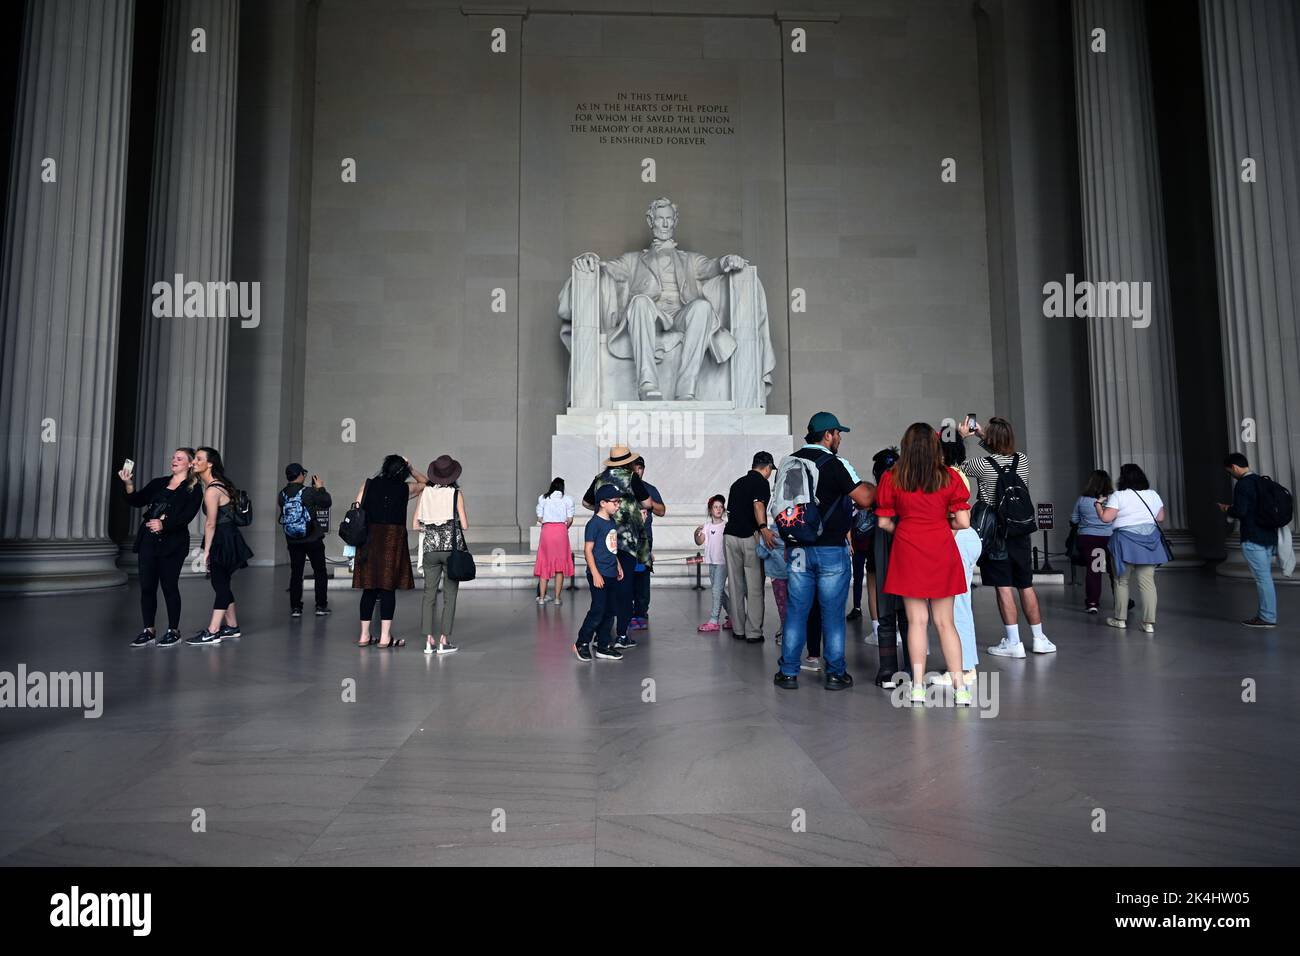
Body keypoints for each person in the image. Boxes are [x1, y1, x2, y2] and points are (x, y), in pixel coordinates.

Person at [773, 412, 875, 691]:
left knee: (796, 612)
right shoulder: (836, 464)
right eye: (838, 433)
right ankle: (835, 673)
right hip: (830, 549)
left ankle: (789, 673)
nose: (839, 438)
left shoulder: (788, 462)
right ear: (828, 434)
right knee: (832, 614)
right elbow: (864, 499)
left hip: (797, 549)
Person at [874, 424, 973, 704]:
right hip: (941, 547)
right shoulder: (949, 476)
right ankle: (960, 688)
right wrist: (943, 523)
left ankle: (917, 686)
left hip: (908, 550)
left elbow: (883, 522)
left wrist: (905, 530)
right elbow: (963, 521)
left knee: (916, 622)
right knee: (946, 623)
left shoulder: (893, 477)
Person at [959, 415, 1056, 658]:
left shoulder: (981, 465)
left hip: (996, 532)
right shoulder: (1021, 460)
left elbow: (958, 468)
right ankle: (1039, 638)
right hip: (1019, 529)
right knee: (1025, 584)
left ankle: (1013, 642)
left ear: (990, 439)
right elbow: (1001, 456)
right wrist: (986, 436)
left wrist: (963, 438)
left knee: (1003, 586)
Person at [119, 448, 204, 647]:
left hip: (173, 543)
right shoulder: (159, 483)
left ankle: (173, 631)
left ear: (190, 463)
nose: (174, 460)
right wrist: (128, 483)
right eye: (173, 457)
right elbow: (136, 500)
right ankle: (148, 630)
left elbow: (187, 516)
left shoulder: (193, 488)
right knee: (147, 586)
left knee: (169, 586)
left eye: (179, 458)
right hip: (148, 540)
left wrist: (164, 524)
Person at [581, 446, 654, 649]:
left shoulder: (599, 478)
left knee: (605, 590)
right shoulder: (631, 477)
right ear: (628, 462)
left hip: (604, 539)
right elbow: (647, 503)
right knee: (625, 590)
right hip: (627, 541)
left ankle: (601, 635)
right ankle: (621, 635)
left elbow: (586, 503)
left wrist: (602, 508)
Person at [352, 454, 428, 648]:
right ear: (402, 472)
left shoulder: (368, 485)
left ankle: (364, 636)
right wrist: (410, 467)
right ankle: (385, 637)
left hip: (369, 539)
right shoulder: (404, 488)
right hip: (391, 540)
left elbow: (356, 508)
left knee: (369, 588)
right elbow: (426, 484)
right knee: (387, 589)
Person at [186, 447, 254, 646]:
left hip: (222, 539)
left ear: (210, 464)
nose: (194, 462)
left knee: (220, 584)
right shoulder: (219, 485)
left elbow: (210, 524)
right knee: (221, 581)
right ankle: (232, 626)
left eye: (198, 459)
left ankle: (213, 630)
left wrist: (206, 551)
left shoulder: (212, 490)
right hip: (230, 538)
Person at [1096, 463, 1167, 633]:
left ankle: (1120, 619)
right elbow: (1161, 517)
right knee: (1148, 583)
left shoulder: (1119, 496)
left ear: (1122, 479)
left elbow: (1106, 518)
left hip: (1124, 542)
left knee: (1121, 581)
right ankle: (1149, 623)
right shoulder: (1153, 494)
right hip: (1149, 542)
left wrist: (1098, 505)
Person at [1219, 452, 1280, 627]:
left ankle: (1267, 617)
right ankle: (1266, 615)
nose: (1231, 475)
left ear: (1235, 468)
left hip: (1253, 537)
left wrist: (1226, 509)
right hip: (1268, 535)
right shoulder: (1262, 481)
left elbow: (1241, 511)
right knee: (1265, 577)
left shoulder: (1243, 485)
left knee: (1263, 579)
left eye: (1229, 472)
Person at [415, 455, 467, 655]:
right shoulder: (456, 494)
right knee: (450, 595)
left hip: (429, 550)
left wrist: (430, 524)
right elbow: (464, 525)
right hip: (451, 550)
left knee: (429, 595)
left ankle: (429, 641)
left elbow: (414, 523)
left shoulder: (425, 493)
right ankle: (444, 640)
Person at [724, 450, 775, 644]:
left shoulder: (736, 483)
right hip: (749, 537)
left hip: (729, 536)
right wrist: (763, 529)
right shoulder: (762, 483)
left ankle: (738, 629)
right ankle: (753, 632)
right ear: (767, 467)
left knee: (735, 585)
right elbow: (758, 505)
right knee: (754, 586)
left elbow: (731, 511)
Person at [868, 447, 907, 688]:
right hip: (905, 549)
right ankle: (913, 670)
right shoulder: (910, 484)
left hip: (884, 547)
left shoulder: (881, 487)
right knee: (908, 613)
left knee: (885, 612)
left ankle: (887, 670)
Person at [574, 484, 625, 661]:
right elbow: (588, 550)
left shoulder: (611, 522)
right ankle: (581, 642)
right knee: (598, 610)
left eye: (619, 502)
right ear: (603, 503)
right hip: (599, 573)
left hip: (610, 572)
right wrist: (595, 573)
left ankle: (603, 645)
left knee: (611, 611)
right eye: (615, 502)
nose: (618, 505)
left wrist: (617, 564)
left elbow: (611, 548)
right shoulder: (594, 524)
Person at [280, 463, 333, 619]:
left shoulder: (282, 494)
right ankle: (320, 606)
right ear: (300, 475)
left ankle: (296, 607)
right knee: (320, 571)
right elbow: (326, 502)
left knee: (296, 573)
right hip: (312, 538)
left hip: (292, 539)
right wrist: (320, 488)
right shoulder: (309, 492)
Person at [1071, 469, 1115, 614]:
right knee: (1114, 571)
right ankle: (1121, 601)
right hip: (1110, 539)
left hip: (1089, 539)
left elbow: (1074, 520)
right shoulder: (1113, 500)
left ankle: (1092, 603)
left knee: (1094, 571)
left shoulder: (1082, 500)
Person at [629, 457, 665, 629]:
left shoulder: (649, 489)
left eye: (640, 468)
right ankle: (627, 612)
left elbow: (662, 511)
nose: (637, 471)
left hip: (645, 539)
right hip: (626, 539)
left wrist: (649, 503)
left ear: (643, 470)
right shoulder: (624, 488)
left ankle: (641, 612)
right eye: (634, 468)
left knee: (642, 576)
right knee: (627, 576)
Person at [534, 477, 575, 606]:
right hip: (561, 531)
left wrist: (548, 523)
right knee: (559, 567)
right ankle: (557, 598)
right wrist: (562, 527)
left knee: (544, 563)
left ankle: (541, 598)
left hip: (547, 530)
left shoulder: (543, 498)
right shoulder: (568, 499)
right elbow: (569, 519)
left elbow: (540, 517)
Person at [695, 494, 731, 632]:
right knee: (720, 591)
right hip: (711, 562)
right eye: (715, 507)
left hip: (723, 562)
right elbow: (699, 541)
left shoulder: (726, 525)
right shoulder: (707, 526)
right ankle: (734, 616)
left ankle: (714, 620)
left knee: (716, 591)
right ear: (710, 510)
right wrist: (696, 533)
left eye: (721, 507)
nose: (718, 509)